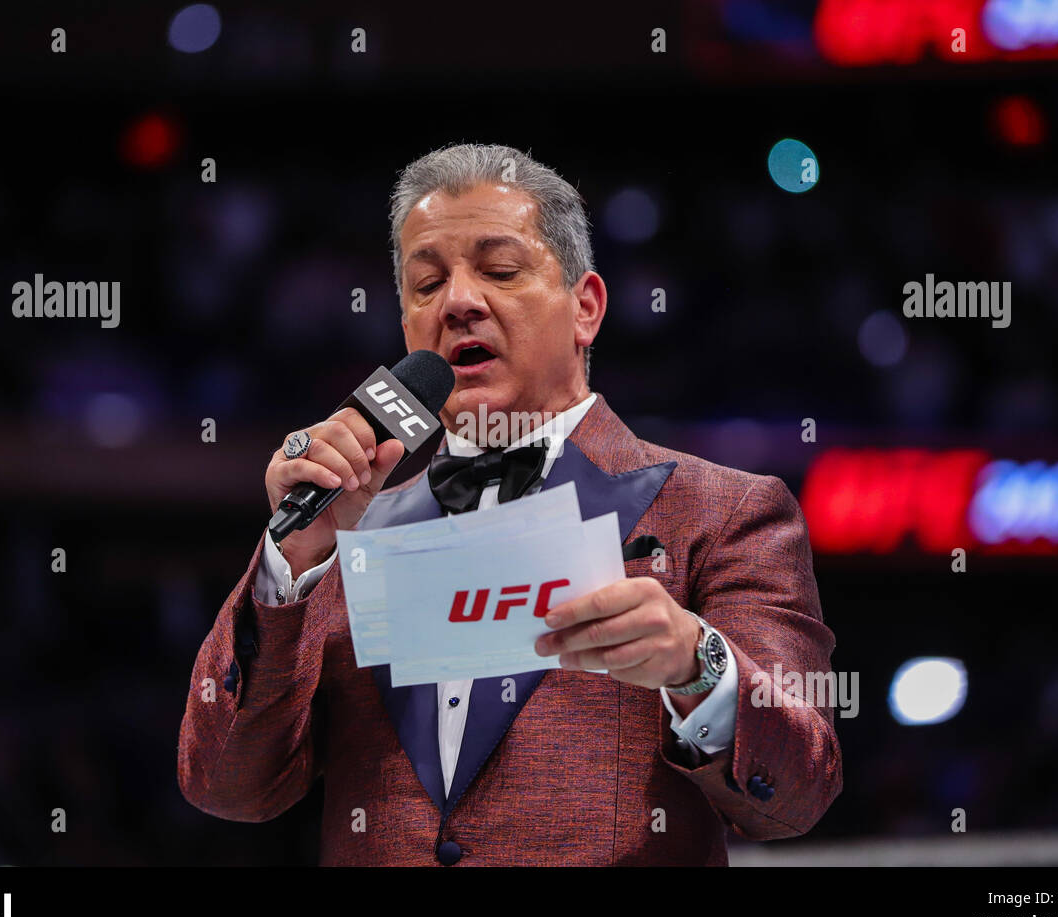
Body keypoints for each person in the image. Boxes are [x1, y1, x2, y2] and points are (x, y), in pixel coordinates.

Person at [177, 143, 842, 865]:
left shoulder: (725, 512)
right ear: (405, 327)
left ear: (585, 308)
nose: (459, 302)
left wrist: (696, 665)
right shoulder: (346, 532)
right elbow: (226, 787)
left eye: (499, 271)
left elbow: (800, 790)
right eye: (426, 285)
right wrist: (293, 558)